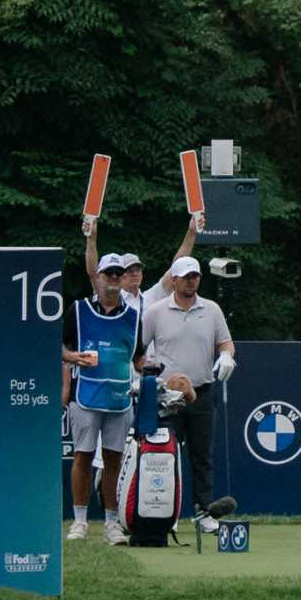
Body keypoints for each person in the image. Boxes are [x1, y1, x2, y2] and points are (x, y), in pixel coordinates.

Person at [139, 256, 235, 535]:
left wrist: (227, 356)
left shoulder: (212, 310)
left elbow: (225, 342)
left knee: (202, 456)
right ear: (174, 280)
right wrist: (153, 377)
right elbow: (139, 351)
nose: (191, 281)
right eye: (186, 277)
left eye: (195, 276)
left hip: (203, 393)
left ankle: (204, 512)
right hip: (167, 397)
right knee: (164, 457)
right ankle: (165, 515)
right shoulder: (156, 311)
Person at [61, 259, 143, 544]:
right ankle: (80, 522)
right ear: (98, 276)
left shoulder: (133, 316)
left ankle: (111, 524)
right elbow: (60, 345)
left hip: (119, 398)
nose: (115, 278)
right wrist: (74, 358)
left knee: (113, 461)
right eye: (109, 273)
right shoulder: (79, 309)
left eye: (119, 274)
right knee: (82, 457)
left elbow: (138, 356)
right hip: (85, 395)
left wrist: (154, 373)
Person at [82, 212, 197, 312]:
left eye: (138, 269)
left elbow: (178, 266)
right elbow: (93, 273)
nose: (135, 273)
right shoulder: (110, 294)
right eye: (129, 270)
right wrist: (91, 238)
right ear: (119, 275)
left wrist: (192, 232)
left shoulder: (151, 297)